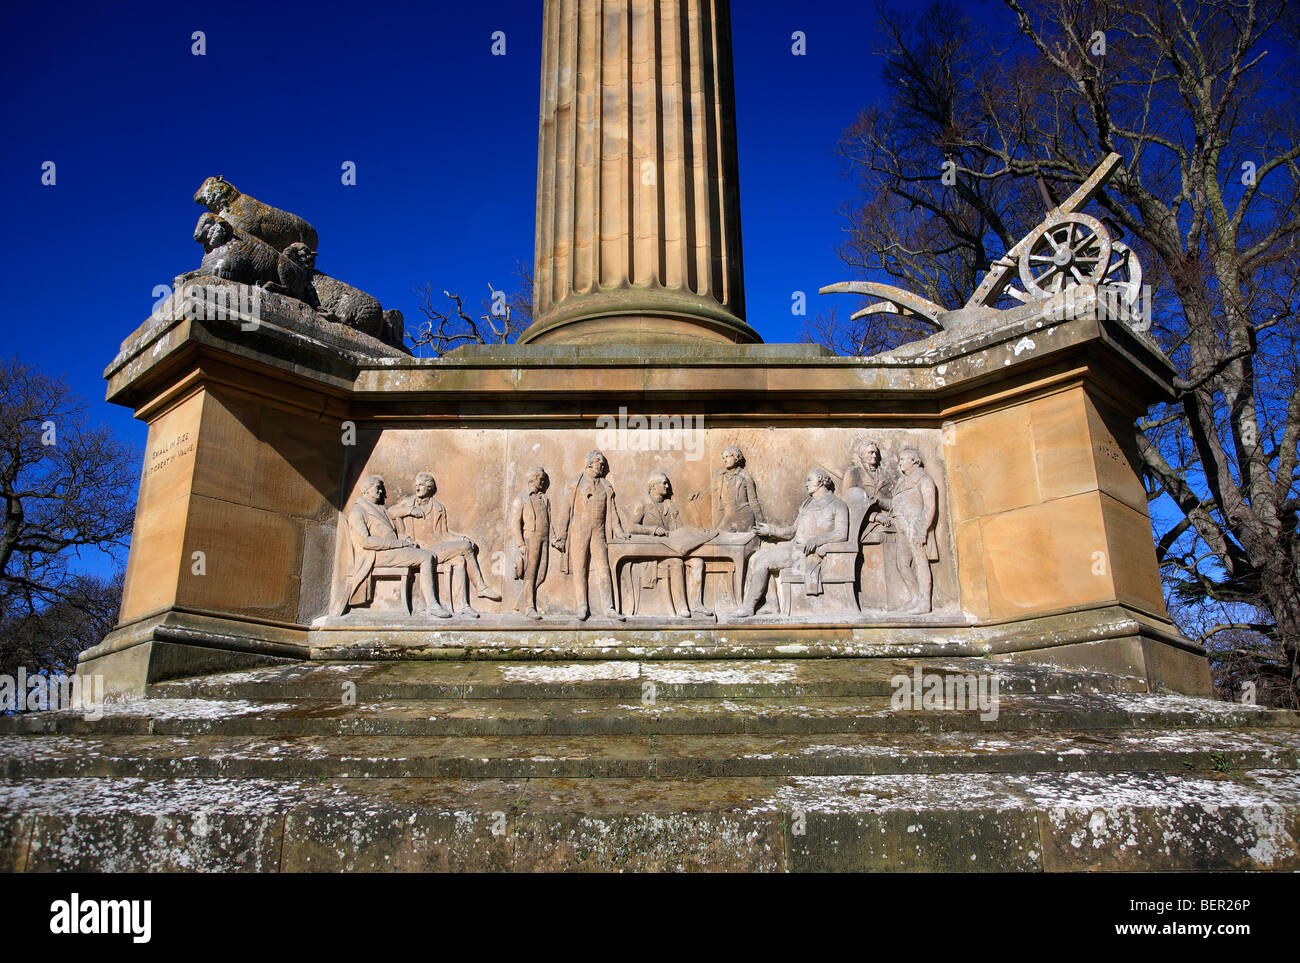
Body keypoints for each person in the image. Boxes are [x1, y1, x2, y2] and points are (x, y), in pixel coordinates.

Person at [732, 468, 849, 618]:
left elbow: (841, 534)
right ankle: (771, 603)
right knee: (756, 557)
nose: (806, 484)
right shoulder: (807, 504)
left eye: (809, 480)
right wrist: (771, 531)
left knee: (763, 561)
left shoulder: (837, 505)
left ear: (821, 482)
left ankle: (748, 607)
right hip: (795, 546)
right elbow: (793, 530)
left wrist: (818, 540)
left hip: (809, 553)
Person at [387, 472, 501, 618]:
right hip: (416, 551)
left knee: (460, 560)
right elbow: (390, 512)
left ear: (429, 487)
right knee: (465, 548)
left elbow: (443, 535)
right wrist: (409, 510)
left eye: (421, 485)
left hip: (434, 549)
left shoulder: (438, 508)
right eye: (416, 485)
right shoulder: (408, 502)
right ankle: (481, 587)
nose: (417, 488)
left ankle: (463, 606)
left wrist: (461, 537)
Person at [335, 475, 450, 618]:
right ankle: (432, 605)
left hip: (388, 550)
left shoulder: (379, 508)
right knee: (426, 556)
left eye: (381, 489)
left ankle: (425, 603)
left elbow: (387, 531)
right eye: (378, 488)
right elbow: (366, 542)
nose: (382, 492)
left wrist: (403, 538)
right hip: (374, 555)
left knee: (425, 553)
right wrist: (399, 543)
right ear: (366, 490)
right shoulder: (358, 511)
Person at [625, 472, 712, 618]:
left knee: (698, 562)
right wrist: (652, 530)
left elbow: (679, 527)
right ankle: (681, 607)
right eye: (663, 483)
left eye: (667, 483)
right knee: (676, 563)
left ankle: (696, 604)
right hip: (654, 553)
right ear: (653, 486)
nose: (667, 486)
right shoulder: (643, 504)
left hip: (674, 547)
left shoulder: (669, 505)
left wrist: (697, 532)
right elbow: (631, 527)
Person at [555, 450, 627, 621]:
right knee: (580, 569)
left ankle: (608, 607)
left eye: (602, 463)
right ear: (589, 463)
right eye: (598, 462)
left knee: (604, 568)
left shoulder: (606, 486)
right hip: (579, 529)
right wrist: (562, 536)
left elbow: (612, 512)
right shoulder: (574, 484)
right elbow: (565, 511)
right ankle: (582, 606)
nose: (601, 466)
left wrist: (619, 531)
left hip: (599, 531)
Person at [889, 448, 939, 614]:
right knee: (902, 564)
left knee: (920, 561)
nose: (900, 462)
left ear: (914, 461)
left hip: (915, 526)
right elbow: (895, 503)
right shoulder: (903, 482)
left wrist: (923, 529)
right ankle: (915, 597)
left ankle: (925, 603)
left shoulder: (924, 480)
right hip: (901, 527)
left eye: (903, 459)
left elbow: (929, 506)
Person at [508, 467, 559, 620]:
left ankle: (520, 603)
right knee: (530, 574)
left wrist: (555, 538)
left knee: (541, 574)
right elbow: (515, 524)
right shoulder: (521, 499)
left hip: (544, 539)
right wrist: (520, 545)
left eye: (544, 479)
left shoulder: (544, 499)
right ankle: (529, 606)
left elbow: (550, 521)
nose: (542, 481)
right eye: (540, 479)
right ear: (531, 480)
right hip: (530, 539)